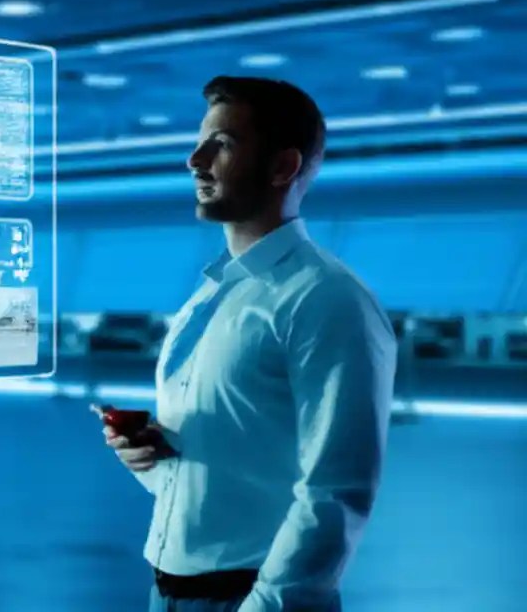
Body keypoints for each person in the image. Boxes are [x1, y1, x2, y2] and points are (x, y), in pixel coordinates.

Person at [95, 76, 397, 612]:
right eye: (201, 142)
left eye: (223, 144)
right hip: (168, 595)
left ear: (283, 168)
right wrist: (149, 458)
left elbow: (336, 490)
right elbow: (216, 469)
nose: (195, 159)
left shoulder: (327, 300)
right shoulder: (211, 294)